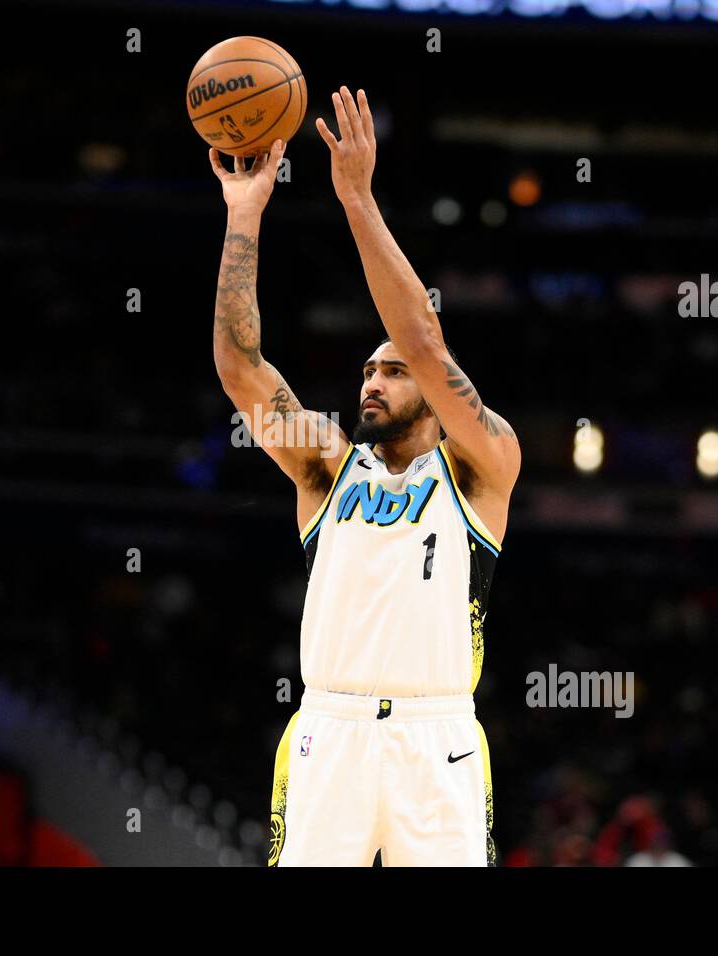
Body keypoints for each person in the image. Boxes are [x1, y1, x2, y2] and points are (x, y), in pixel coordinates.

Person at [209, 87, 521, 866]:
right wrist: (243, 213)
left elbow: (420, 334)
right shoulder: (323, 467)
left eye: (390, 372)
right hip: (330, 731)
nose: (371, 383)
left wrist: (356, 198)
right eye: (364, 372)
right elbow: (240, 367)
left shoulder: (483, 464)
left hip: (438, 738)